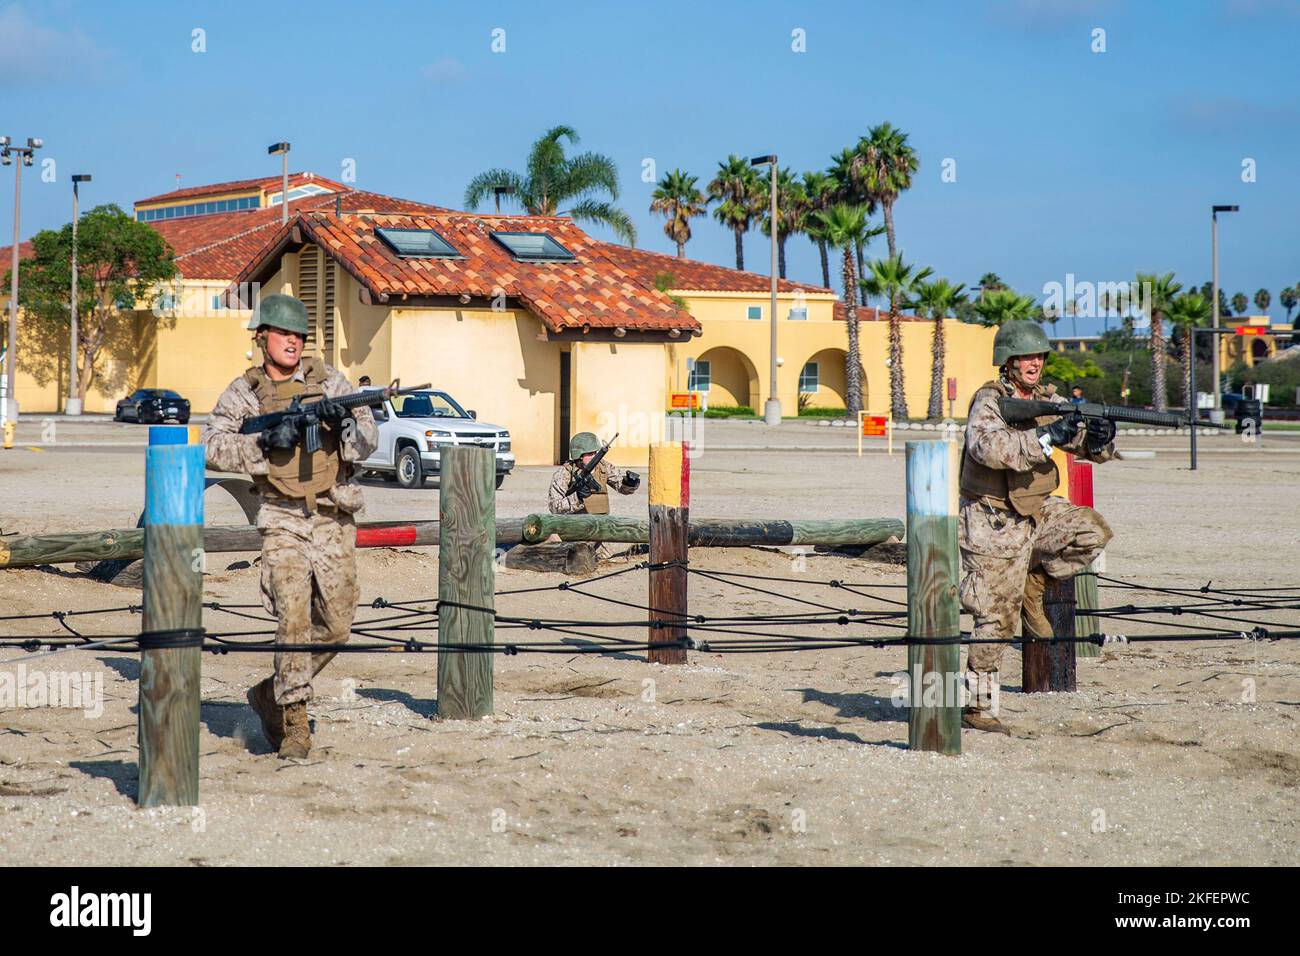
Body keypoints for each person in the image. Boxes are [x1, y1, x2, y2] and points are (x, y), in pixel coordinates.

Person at [201, 293, 378, 759]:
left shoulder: (331, 382)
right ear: (262, 337)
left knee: (337, 627)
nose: (293, 342)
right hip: (280, 517)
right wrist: (262, 443)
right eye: (283, 333)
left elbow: (367, 441)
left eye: (299, 335)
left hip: (332, 513)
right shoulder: (244, 391)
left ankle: (268, 692)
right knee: (292, 620)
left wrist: (344, 427)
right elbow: (212, 446)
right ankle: (294, 723)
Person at [958, 320, 1115, 734]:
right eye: (1026, 356)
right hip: (992, 519)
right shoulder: (989, 401)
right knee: (995, 620)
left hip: (1037, 512)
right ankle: (977, 708)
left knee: (1091, 532)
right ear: (1007, 361)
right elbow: (987, 447)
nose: (1034, 363)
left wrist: (1099, 438)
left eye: (1039, 356)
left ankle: (1035, 580)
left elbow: (1083, 442)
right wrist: (1046, 438)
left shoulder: (1048, 398)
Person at [547, 432, 640, 516]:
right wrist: (577, 497)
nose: (594, 456)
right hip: (575, 524)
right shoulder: (565, 473)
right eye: (590, 453)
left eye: (595, 453)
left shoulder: (603, 466)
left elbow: (622, 488)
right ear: (578, 455)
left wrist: (629, 483)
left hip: (601, 522)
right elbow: (554, 508)